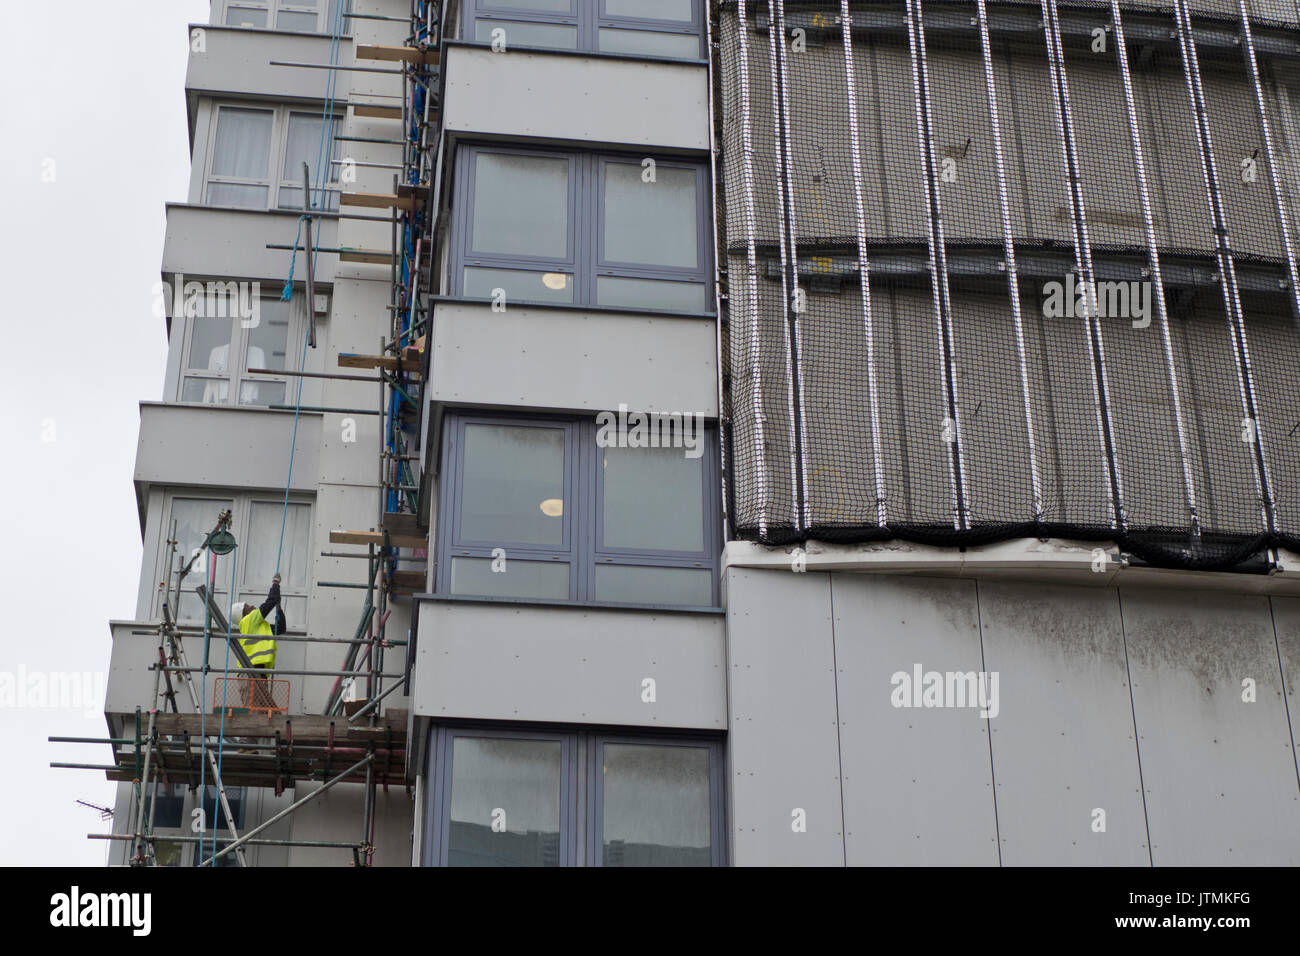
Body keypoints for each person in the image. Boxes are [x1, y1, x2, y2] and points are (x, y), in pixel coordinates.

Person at [232, 575, 281, 751]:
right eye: (247, 606)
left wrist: (279, 608)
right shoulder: (249, 620)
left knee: (261, 708)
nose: (252, 606)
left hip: (258, 673)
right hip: (250, 671)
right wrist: (275, 583)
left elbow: (281, 628)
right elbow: (270, 601)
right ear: (243, 613)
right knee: (253, 707)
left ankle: (251, 742)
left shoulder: (258, 624)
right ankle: (246, 742)